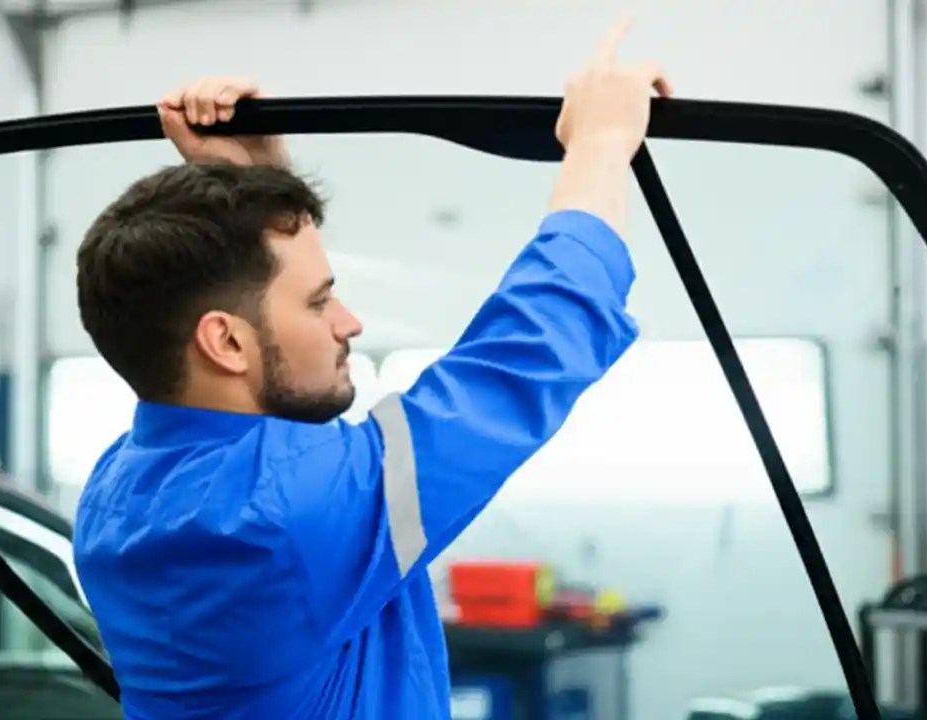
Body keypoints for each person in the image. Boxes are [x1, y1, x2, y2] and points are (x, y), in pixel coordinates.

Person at [71, 16, 672, 720]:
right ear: (226, 343)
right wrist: (600, 146)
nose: (349, 322)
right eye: (320, 300)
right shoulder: (287, 512)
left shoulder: (117, 497)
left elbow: (279, 431)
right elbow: (527, 355)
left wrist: (258, 182)